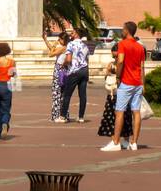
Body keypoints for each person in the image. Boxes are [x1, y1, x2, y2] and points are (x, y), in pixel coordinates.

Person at [101, 21, 145, 153]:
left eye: (123, 29)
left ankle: (116, 142)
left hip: (126, 82)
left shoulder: (122, 44)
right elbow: (142, 67)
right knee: (136, 112)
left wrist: (119, 77)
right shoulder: (140, 47)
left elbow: (120, 61)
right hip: (137, 82)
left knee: (119, 112)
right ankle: (134, 142)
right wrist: (143, 84)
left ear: (127, 31)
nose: (122, 31)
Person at [97, 48, 133, 143]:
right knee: (112, 117)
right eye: (113, 56)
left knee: (124, 116)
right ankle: (115, 140)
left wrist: (116, 73)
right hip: (113, 93)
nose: (115, 58)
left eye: (116, 56)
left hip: (121, 92)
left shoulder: (124, 64)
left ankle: (124, 140)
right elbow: (106, 77)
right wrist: (109, 72)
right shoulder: (111, 64)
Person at [60, 27, 91, 124]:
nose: (71, 34)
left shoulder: (71, 44)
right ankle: (81, 117)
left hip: (74, 71)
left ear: (77, 34)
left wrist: (63, 64)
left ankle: (63, 116)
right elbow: (87, 60)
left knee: (67, 94)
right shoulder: (85, 45)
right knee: (82, 95)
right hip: (84, 70)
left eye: (72, 33)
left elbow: (68, 59)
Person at [43, 31, 71, 122]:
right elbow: (52, 49)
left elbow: (50, 54)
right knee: (61, 93)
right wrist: (45, 40)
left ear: (64, 39)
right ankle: (63, 115)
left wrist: (55, 44)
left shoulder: (63, 48)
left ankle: (56, 116)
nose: (58, 40)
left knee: (56, 93)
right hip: (62, 70)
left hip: (59, 71)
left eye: (60, 39)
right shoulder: (64, 47)